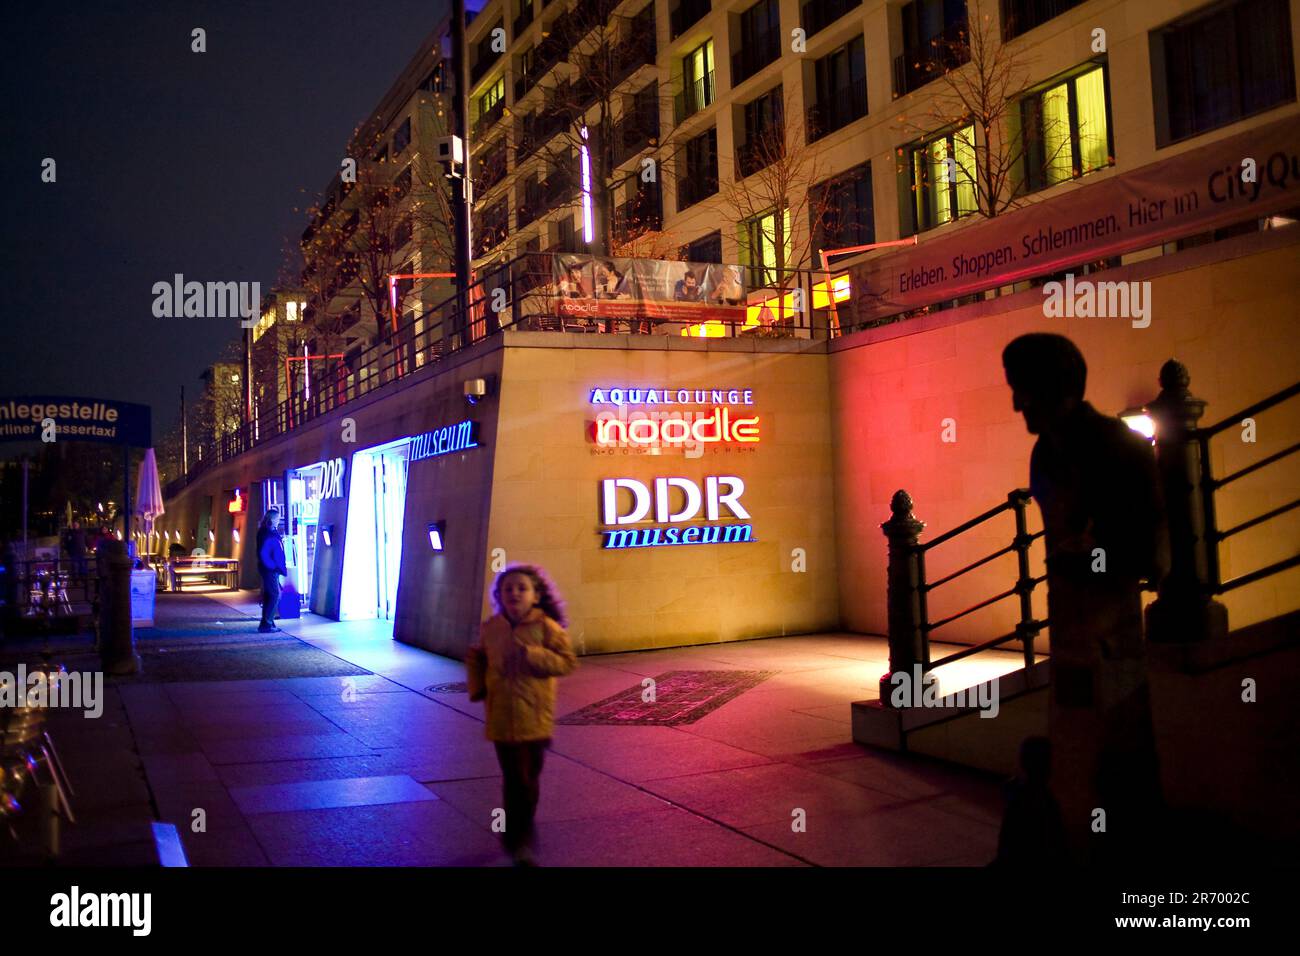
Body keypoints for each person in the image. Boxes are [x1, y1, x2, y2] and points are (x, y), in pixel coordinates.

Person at [1001, 333, 1166, 863]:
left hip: (1106, 638)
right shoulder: (1049, 451)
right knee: (1083, 757)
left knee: (1107, 761)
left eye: (1021, 389)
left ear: (1053, 388)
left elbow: (1147, 548)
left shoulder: (1110, 448)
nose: (1015, 404)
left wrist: (1095, 555)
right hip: (1077, 635)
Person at [465, 564, 577, 865]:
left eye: (522, 588)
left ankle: (520, 833)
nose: (514, 592)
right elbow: (480, 658)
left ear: (536, 595)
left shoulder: (546, 627)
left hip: (535, 720)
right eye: (508, 588)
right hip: (501, 719)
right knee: (515, 779)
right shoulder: (492, 627)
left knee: (528, 780)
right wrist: (478, 686)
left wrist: (533, 654)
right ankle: (520, 838)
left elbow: (566, 663)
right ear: (499, 595)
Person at [256, 508, 287, 633]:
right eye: (277, 518)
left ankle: (267, 621)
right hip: (270, 569)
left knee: (271, 595)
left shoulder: (266, 532)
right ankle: (267, 623)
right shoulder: (267, 533)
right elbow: (265, 553)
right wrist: (274, 566)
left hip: (269, 568)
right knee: (275, 595)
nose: (278, 521)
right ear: (272, 519)